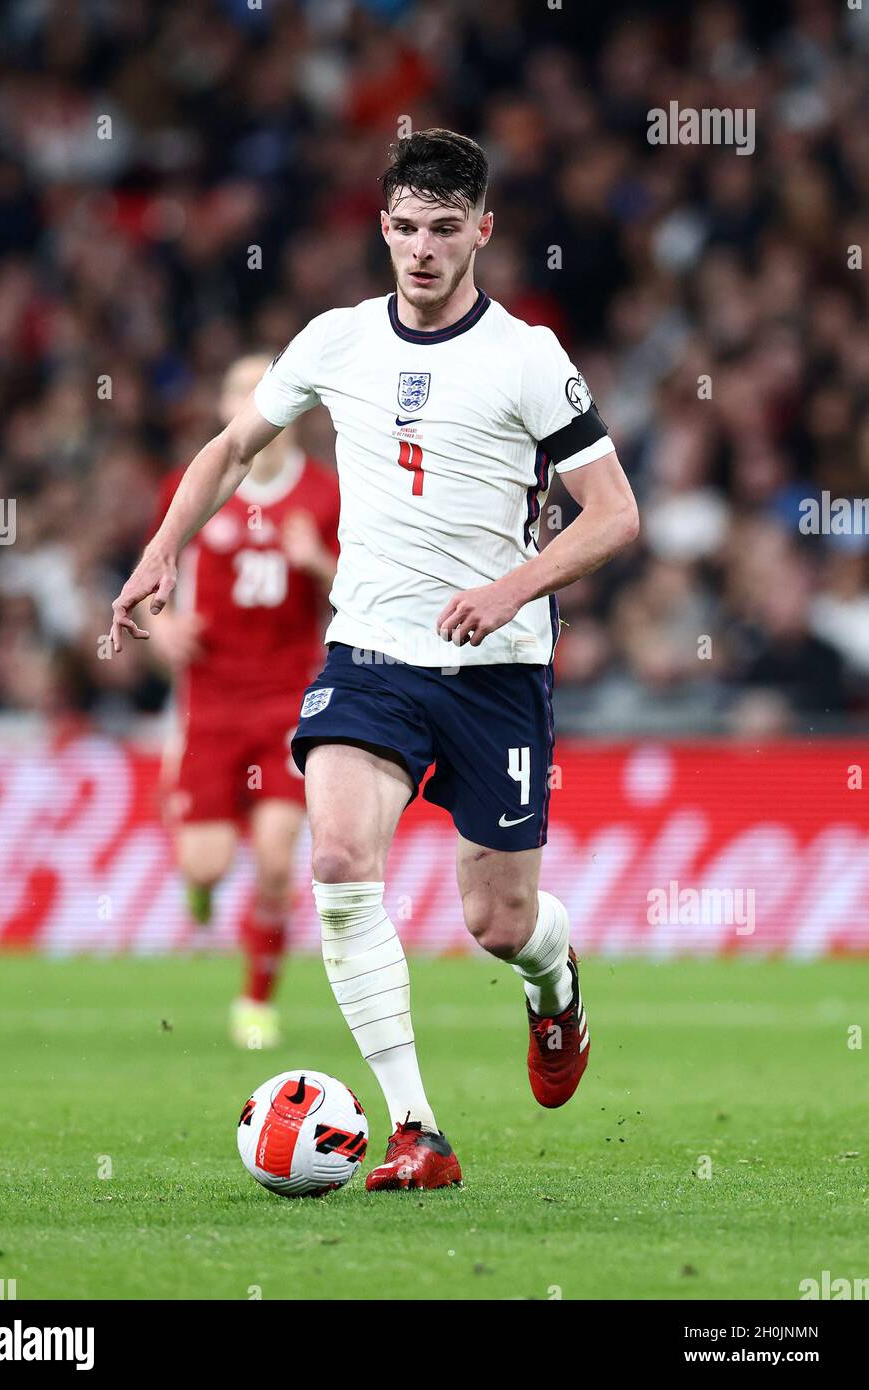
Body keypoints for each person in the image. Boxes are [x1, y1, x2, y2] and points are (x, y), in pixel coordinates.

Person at [110, 130, 639, 1189]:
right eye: (405, 227)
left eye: (446, 229)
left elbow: (614, 516)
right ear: (382, 229)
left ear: (481, 231)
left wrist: (510, 588)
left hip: (495, 669)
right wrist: (160, 551)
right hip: (367, 655)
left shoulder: (527, 358)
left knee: (495, 922)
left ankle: (554, 984)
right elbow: (228, 450)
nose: (423, 249)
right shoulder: (337, 341)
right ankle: (416, 1131)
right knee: (342, 862)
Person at [149, 353, 339, 1048]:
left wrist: (316, 559)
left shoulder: (325, 496)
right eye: (238, 391)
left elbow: (367, 592)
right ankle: (198, 884)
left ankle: (255, 1002)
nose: (251, 403)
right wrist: (161, 628)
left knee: (273, 857)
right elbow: (148, 582)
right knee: (206, 863)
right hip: (210, 702)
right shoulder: (192, 485)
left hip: (289, 701)